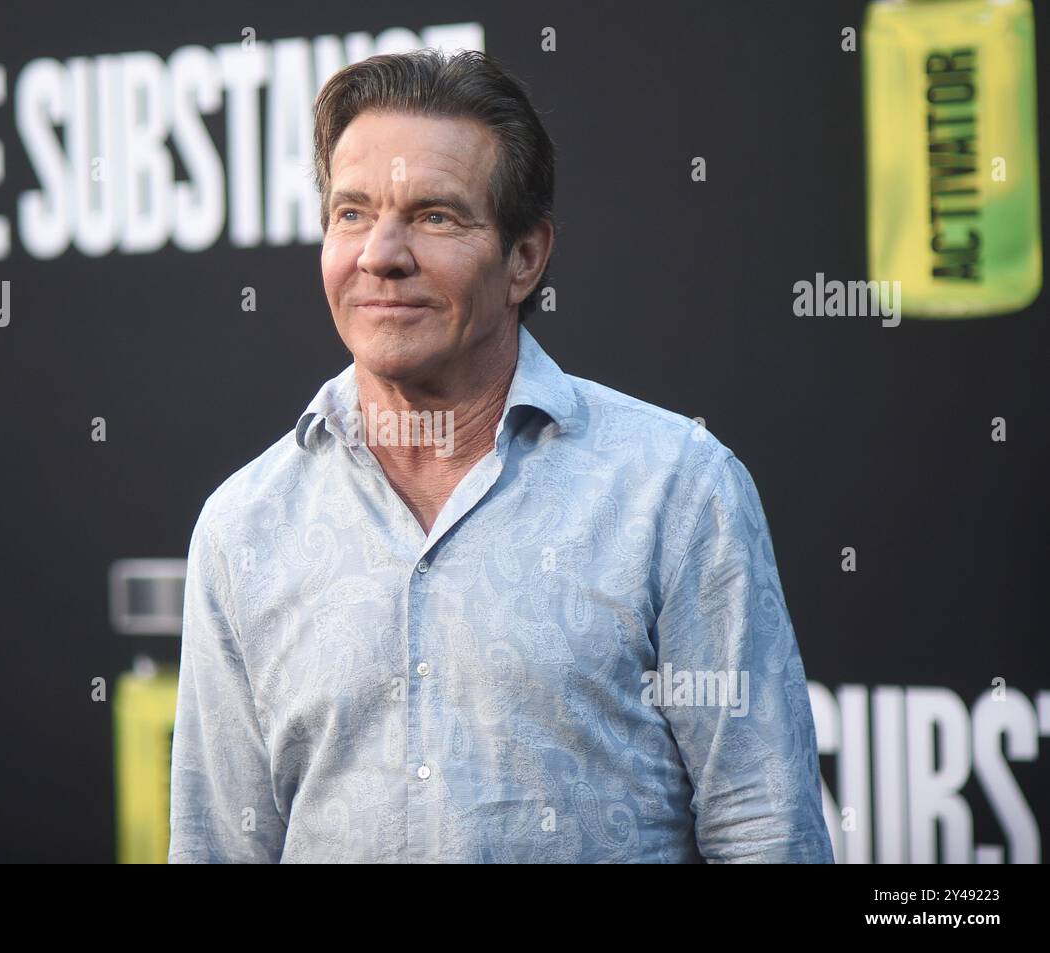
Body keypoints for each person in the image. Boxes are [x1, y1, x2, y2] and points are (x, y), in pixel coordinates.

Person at [168, 48, 833, 863]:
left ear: (525, 258)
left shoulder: (676, 490)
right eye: (351, 213)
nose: (381, 253)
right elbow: (218, 845)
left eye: (435, 216)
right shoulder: (243, 526)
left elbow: (765, 832)